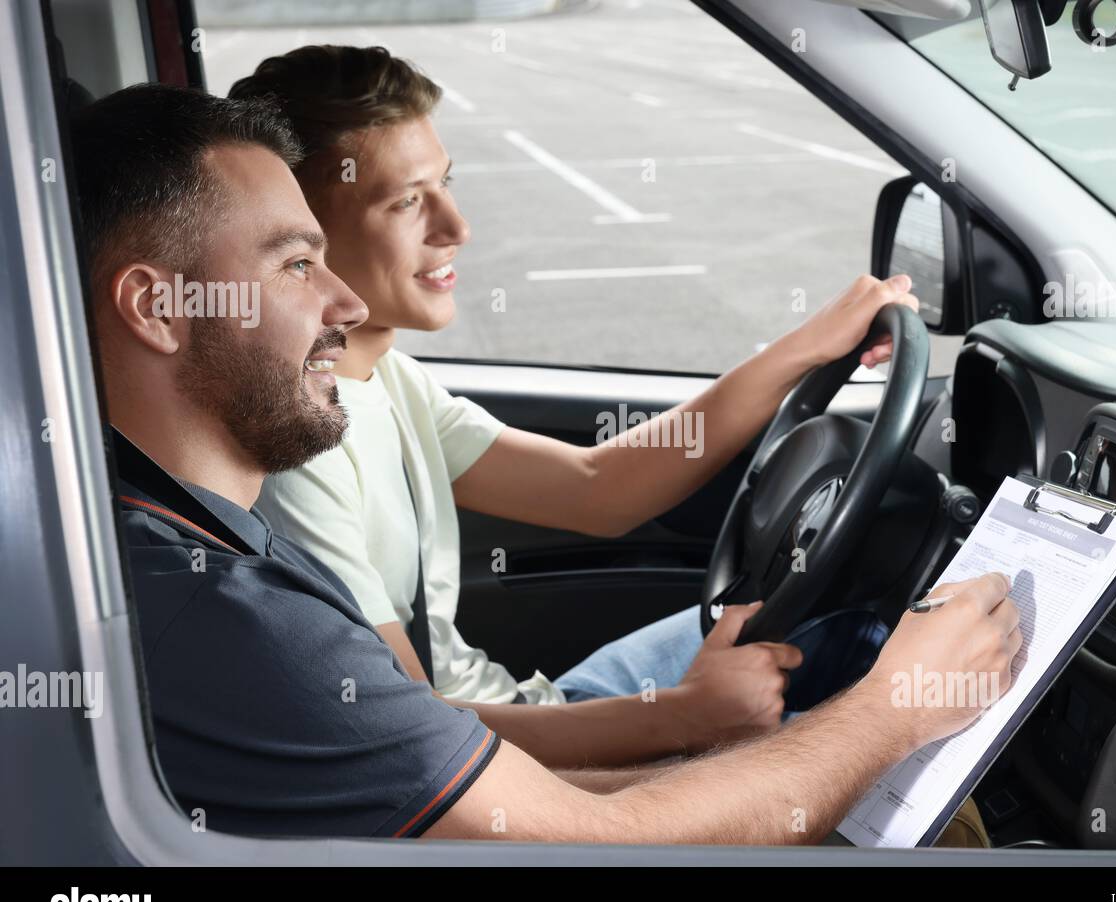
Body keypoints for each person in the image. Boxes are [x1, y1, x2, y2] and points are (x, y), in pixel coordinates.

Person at [73, 82, 1021, 843]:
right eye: (292, 264)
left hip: (491, 771)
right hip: (517, 779)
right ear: (156, 308)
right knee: (868, 675)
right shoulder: (234, 617)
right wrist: (886, 707)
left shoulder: (198, 534)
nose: (344, 302)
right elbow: (586, 838)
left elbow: (595, 487)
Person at [230, 46, 920, 767]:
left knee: (843, 622)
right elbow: (414, 735)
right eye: (407, 201)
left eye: (446, 185)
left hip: (538, 714)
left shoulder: (388, 377)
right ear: (300, 233)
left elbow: (599, 489)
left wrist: (807, 348)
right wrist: (683, 720)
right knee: (878, 715)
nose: (456, 227)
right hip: (508, 770)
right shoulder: (302, 446)